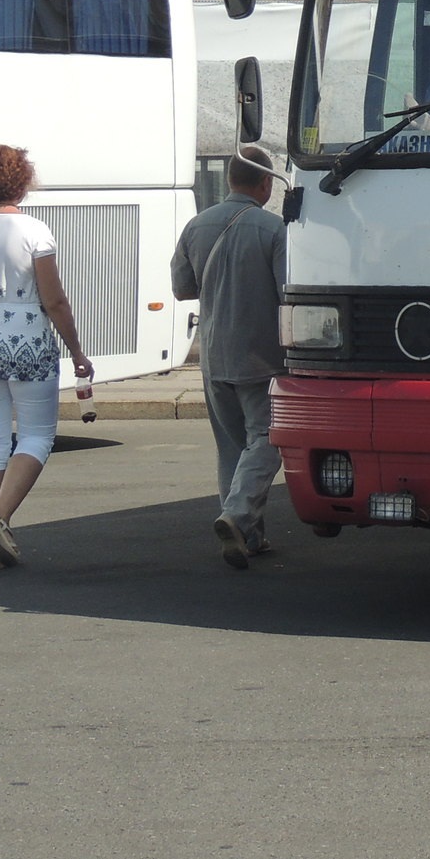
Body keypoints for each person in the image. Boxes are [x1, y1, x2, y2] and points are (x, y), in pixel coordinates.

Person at [0, 145, 93, 570]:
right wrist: (77, 350)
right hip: (27, 341)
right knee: (37, 437)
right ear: (22, 181)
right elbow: (55, 300)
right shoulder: (35, 232)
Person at [171, 145, 288, 570]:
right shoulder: (275, 229)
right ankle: (237, 517)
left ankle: (249, 537)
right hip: (261, 355)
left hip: (213, 353)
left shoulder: (196, 226)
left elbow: (182, 288)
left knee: (231, 447)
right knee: (269, 439)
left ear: (229, 180)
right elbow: (288, 292)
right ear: (264, 184)